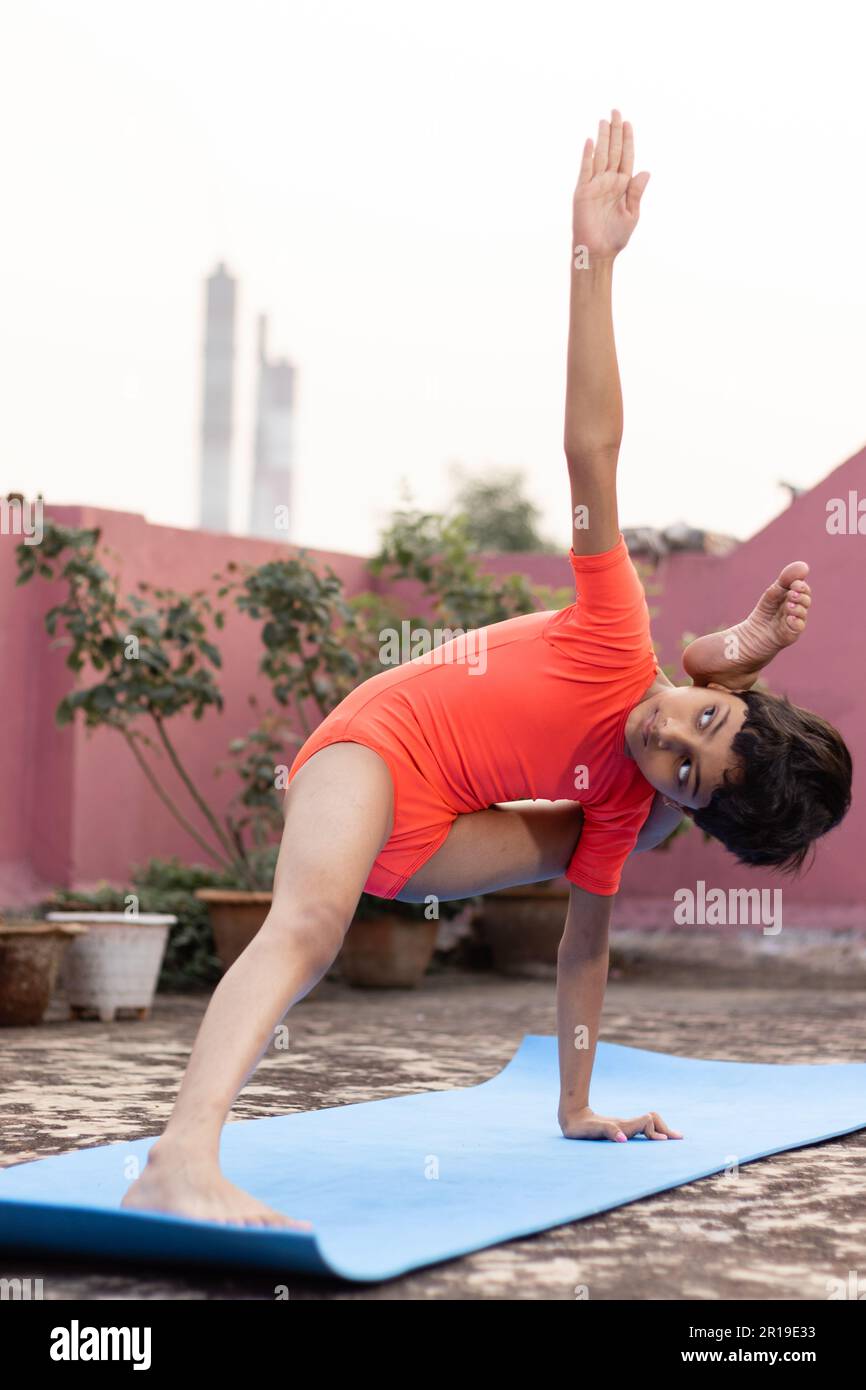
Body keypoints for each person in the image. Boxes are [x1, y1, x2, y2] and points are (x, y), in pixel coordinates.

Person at [122, 110, 852, 1227]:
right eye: (699, 717)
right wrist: (591, 262)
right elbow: (590, 447)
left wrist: (575, 1105)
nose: (668, 735)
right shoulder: (618, 629)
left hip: (433, 845)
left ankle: (721, 700)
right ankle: (182, 1155)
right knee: (309, 925)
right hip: (374, 754)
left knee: (624, 828)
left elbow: (581, 953)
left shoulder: (633, 808)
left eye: (692, 760)